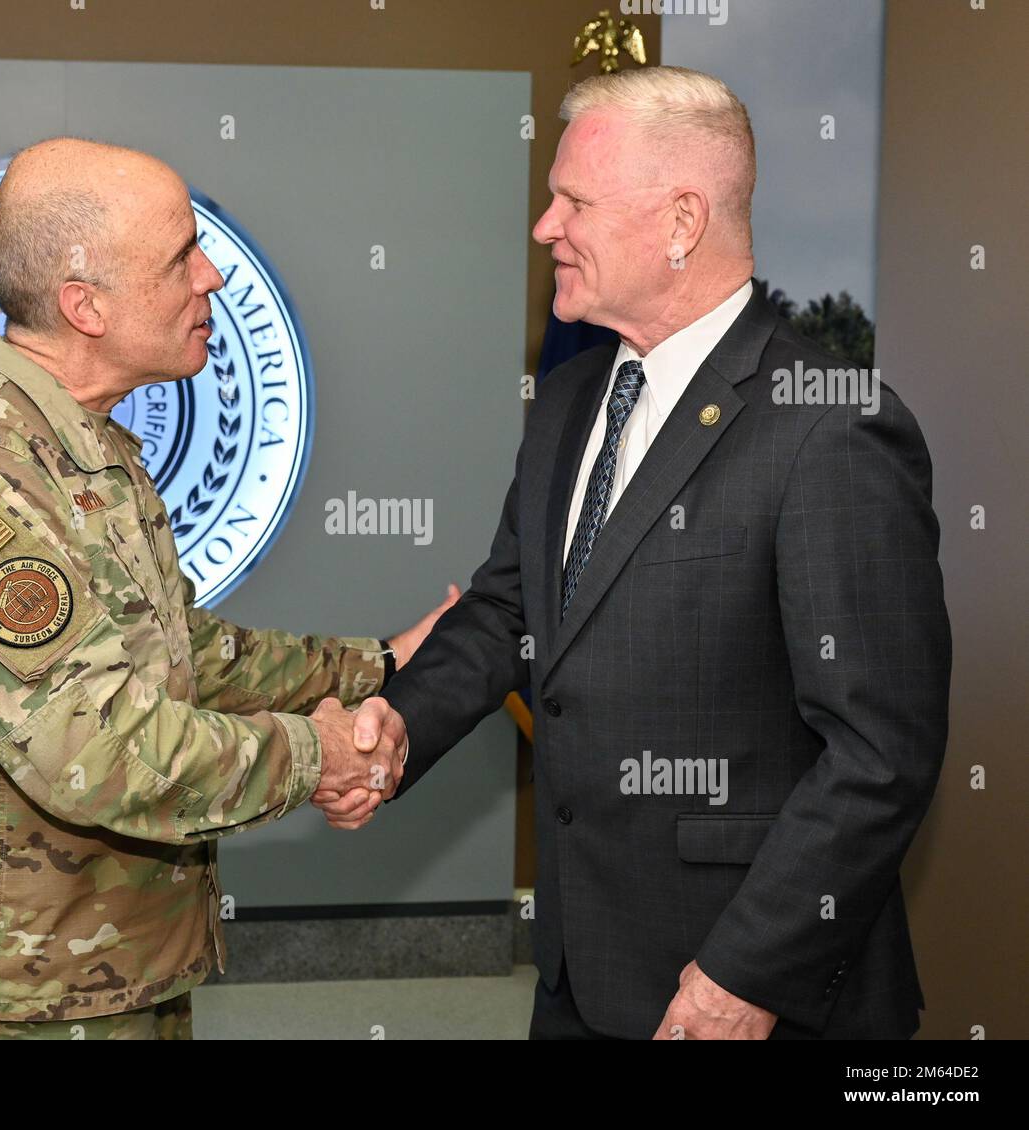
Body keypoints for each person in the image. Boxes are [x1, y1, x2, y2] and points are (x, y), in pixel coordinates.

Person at [317, 67, 951, 1041]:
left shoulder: (830, 425)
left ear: (680, 221)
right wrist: (392, 731)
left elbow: (879, 751)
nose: (544, 226)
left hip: (746, 988)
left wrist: (746, 971)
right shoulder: (572, 402)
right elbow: (508, 611)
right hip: (576, 963)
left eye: (573, 200)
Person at [0, 137, 451, 1039]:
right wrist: (324, 756)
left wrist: (376, 664)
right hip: (21, 1005)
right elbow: (97, 751)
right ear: (84, 305)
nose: (211, 277)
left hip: (123, 975)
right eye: (180, 258)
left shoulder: (87, 450)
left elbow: (182, 655)